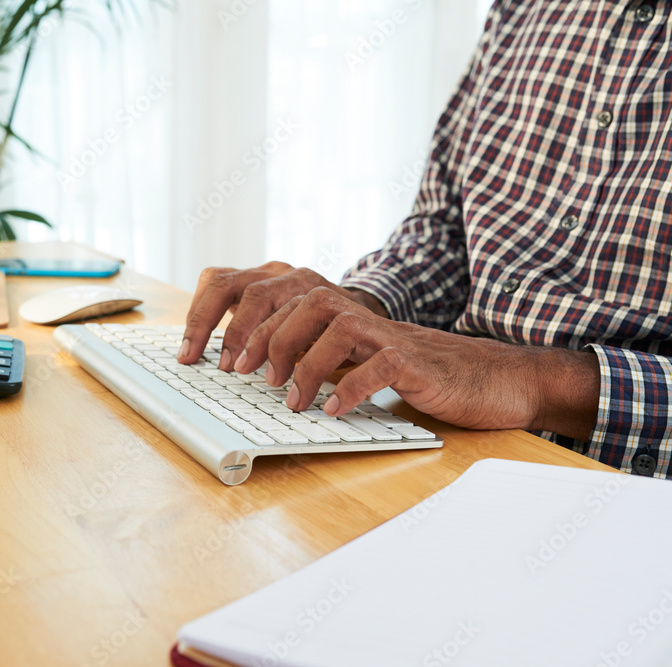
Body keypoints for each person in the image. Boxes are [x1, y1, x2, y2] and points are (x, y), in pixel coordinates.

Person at [177, 0, 672, 479]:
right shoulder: (523, 8)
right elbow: (446, 230)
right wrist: (358, 307)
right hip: (447, 437)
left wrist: (537, 382)